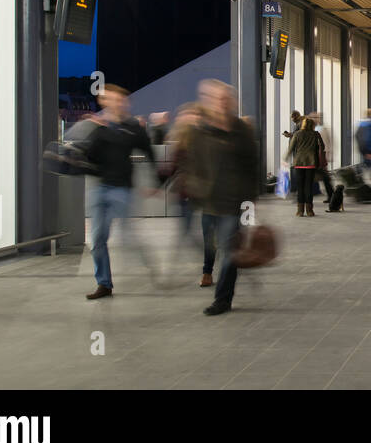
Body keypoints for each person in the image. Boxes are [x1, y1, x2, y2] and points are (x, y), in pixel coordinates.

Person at [74, 84, 157, 300]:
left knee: (128, 236)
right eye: (110, 99)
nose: (115, 103)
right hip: (100, 188)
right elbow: (89, 157)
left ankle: (148, 263)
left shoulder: (133, 127)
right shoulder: (99, 128)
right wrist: (94, 131)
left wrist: (153, 181)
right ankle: (104, 284)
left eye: (119, 99)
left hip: (122, 189)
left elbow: (148, 152)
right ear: (104, 102)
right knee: (98, 239)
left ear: (125, 102)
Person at [195, 80, 263, 315]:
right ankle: (218, 276)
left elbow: (253, 166)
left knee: (229, 249)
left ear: (231, 102)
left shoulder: (242, 130)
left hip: (235, 202)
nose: (220, 103)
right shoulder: (202, 131)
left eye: (224, 99)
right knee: (213, 246)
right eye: (214, 98)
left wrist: (250, 200)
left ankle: (222, 299)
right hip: (209, 202)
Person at [167, 101, 216, 287]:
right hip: (186, 192)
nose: (187, 117)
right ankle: (212, 255)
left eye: (192, 114)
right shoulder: (180, 138)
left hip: (207, 194)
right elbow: (173, 166)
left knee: (207, 233)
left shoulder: (208, 137)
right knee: (187, 232)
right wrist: (159, 185)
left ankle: (207, 271)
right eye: (185, 114)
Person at [285, 117, 322, 217]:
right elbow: (322, 147)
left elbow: (291, 148)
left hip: (299, 163)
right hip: (311, 163)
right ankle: (310, 211)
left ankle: (300, 211)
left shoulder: (297, 134)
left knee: (300, 187)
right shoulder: (316, 134)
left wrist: (285, 158)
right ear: (312, 125)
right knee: (308, 187)